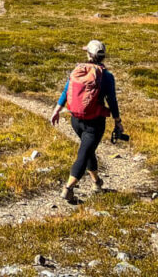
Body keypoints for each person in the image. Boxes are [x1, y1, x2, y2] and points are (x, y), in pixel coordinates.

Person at [50, 39, 122, 202]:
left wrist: (57, 110)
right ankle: (67, 189)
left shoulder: (78, 71)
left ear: (88, 54)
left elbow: (66, 90)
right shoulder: (107, 76)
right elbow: (112, 100)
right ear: (103, 56)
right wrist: (117, 120)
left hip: (75, 119)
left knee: (87, 150)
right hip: (94, 122)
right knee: (84, 153)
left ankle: (97, 183)